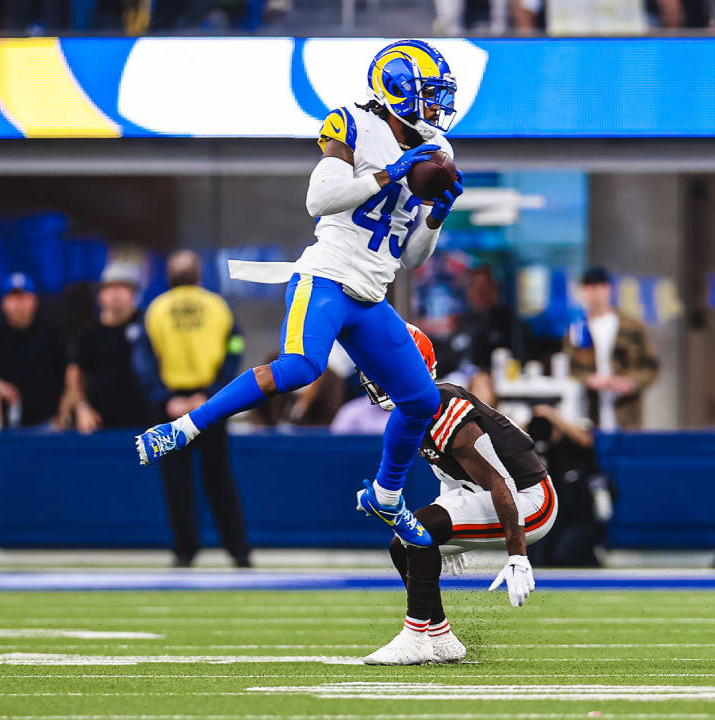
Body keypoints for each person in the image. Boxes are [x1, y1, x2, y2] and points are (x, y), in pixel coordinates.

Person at [137, 40, 465, 549]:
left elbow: (413, 259)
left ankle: (386, 495)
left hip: (371, 294)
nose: (436, 107)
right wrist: (390, 173)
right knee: (300, 368)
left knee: (421, 400)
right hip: (326, 277)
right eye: (428, 94)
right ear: (397, 88)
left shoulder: (437, 150)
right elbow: (320, 199)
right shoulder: (354, 124)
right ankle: (183, 428)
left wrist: (437, 216)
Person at [358, 325, 556, 665]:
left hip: (530, 502)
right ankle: (441, 637)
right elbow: (450, 475)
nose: (376, 376)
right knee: (402, 543)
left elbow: (499, 482)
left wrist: (518, 555)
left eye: (383, 365)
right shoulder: (415, 412)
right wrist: (445, 515)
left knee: (419, 526)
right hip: (492, 494)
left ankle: (414, 637)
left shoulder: (445, 407)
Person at [143, 251, 252, 568]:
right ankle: (239, 551)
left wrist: (164, 397)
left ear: (169, 277)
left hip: (172, 406)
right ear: (199, 276)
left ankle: (184, 552)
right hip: (211, 403)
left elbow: (144, 358)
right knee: (219, 477)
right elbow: (235, 347)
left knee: (176, 481)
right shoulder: (218, 307)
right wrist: (214, 392)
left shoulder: (156, 309)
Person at [67, 261, 166, 432]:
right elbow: (75, 375)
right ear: (100, 295)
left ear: (134, 293)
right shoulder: (89, 335)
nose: (116, 293)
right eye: (109, 287)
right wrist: (82, 408)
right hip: (102, 425)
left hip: (148, 424)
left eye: (123, 286)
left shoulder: (150, 327)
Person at [565, 267, 659, 431]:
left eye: (599, 286)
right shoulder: (578, 328)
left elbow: (650, 367)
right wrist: (588, 379)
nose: (594, 293)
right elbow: (569, 369)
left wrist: (630, 382)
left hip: (626, 411)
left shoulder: (631, 327)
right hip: (589, 412)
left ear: (608, 289)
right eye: (589, 287)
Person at [526, 404, 614, 568]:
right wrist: (532, 421)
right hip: (560, 518)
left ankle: (591, 557)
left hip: (585, 518)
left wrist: (553, 416)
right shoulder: (546, 451)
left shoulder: (577, 449)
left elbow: (584, 439)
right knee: (537, 556)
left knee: (563, 555)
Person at [0, 273, 69, 429]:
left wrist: (63, 413)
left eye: (24, 297)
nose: (19, 303)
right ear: (4, 303)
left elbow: (68, 376)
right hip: (4, 426)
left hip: (47, 424)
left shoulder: (51, 335)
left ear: (34, 301)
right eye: (14, 298)